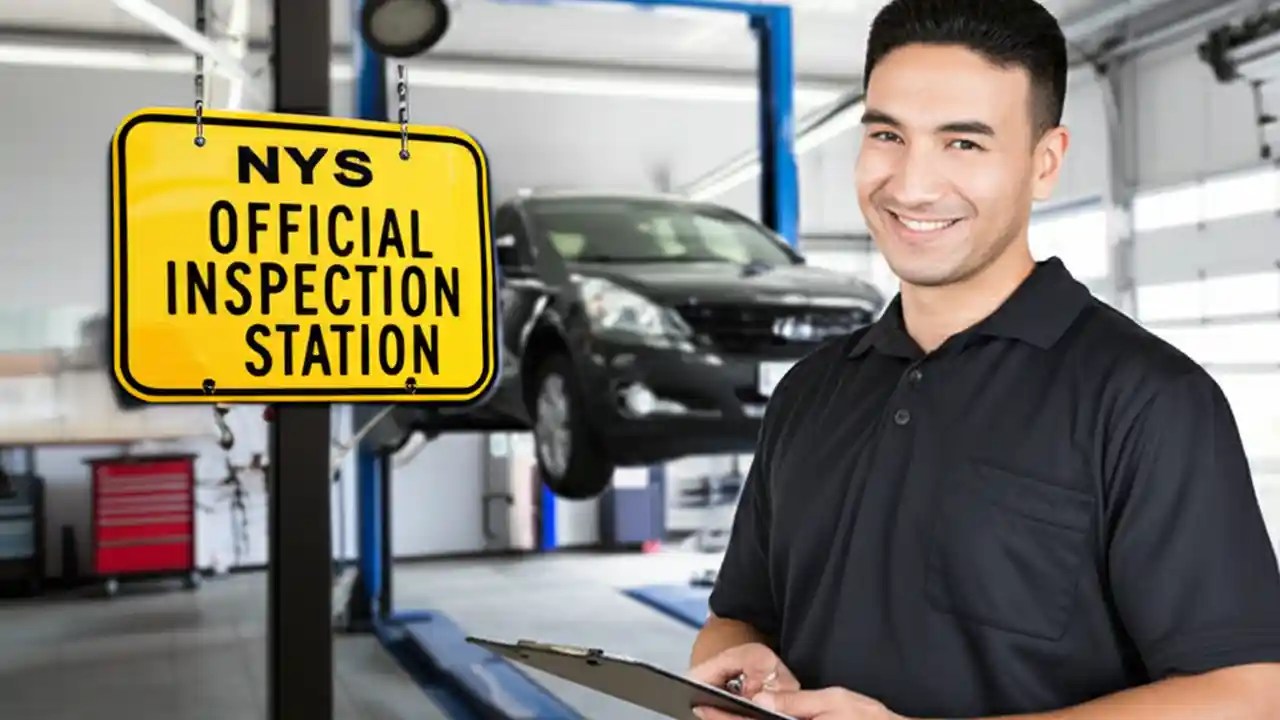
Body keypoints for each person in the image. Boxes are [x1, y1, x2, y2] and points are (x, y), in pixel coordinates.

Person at [687, 0, 1280, 718]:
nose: (910, 184)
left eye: (962, 144)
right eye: (886, 135)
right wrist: (731, 666)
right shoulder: (809, 392)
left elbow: (1248, 693)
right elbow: (739, 615)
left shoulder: (1146, 399)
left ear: (1044, 162)